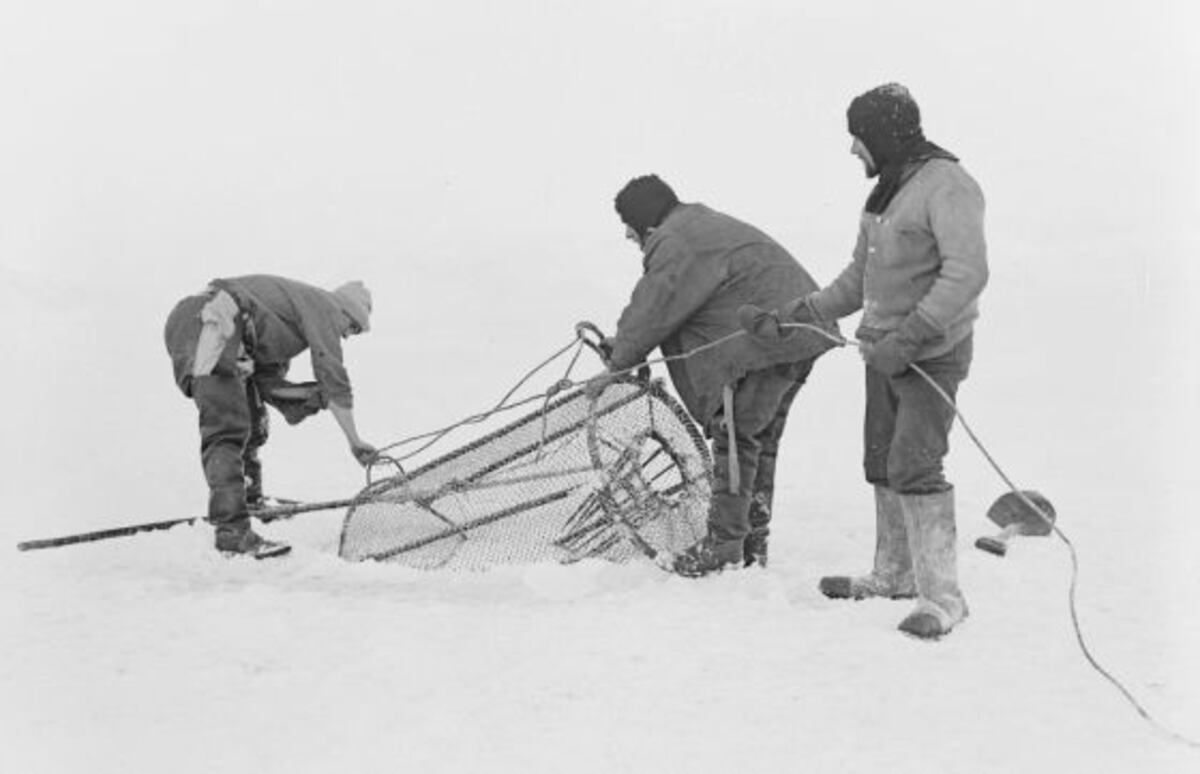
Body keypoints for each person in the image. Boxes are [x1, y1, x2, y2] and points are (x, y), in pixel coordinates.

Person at [741, 83, 988, 639]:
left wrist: (913, 335)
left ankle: (943, 599)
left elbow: (966, 273)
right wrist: (793, 315)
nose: (854, 149)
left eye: (859, 137)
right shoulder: (887, 192)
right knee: (881, 460)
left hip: (930, 356)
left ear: (883, 134)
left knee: (915, 464)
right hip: (882, 351)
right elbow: (859, 279)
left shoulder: (948, 186)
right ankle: (895, 573)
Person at [592, 174, 836, 577]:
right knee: (758, 440)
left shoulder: (676, 240)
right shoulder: (698, 226)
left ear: (647, 225)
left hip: (768, 343)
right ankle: (750, 541)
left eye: (630, 228)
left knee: (736, 438)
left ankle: (724, 547)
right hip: (800, 332)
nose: (628, 237)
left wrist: (617, 364)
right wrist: (625, 347)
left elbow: (654, 306)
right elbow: (676, 304)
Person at [164, 275, 378, 559]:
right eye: (353, 327)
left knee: (252, 418)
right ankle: (232, 532)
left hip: (213, 326)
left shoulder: (281, 327)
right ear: (344, 311)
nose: (348, 335)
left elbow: (268, 385)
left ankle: (249, 499)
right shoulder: (324, 306)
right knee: (226, 426)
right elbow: (332, 372)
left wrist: (315, 396)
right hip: (211, 320)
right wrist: (354, 440)